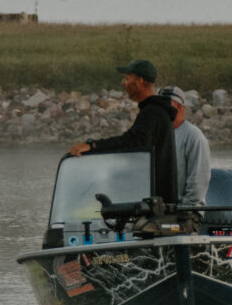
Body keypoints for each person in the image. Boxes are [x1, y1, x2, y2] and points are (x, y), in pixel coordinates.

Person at [68, 58, 179, 204]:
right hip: (155, 201)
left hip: (156, 206)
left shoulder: (153, 112)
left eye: (126, 78)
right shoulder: (155, 110)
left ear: (139, 81)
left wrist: (93, 145)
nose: (123, 83)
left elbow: (132, 141)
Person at [160, 86, 211, 208]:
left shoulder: (194, 136)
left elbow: (198, 182)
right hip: (158, 211)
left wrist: (182, 209)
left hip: (186, 213)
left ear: (179, 107)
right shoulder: (156, 135)